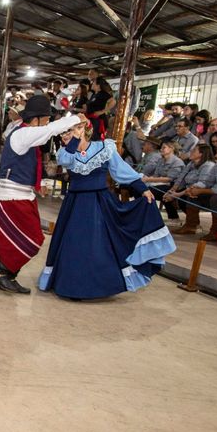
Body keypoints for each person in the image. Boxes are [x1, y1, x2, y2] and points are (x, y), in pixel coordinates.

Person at [39, 119, 175, 299]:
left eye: (69, 131)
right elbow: (65, 160)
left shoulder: (105, 148)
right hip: (75, 204)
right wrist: (74, 139)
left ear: (84, 131)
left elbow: (122, 171)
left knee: (99, 243)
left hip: (100, 201)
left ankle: (99, 285)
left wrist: (143, 190)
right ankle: (72, 285)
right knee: (75, 243)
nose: (64, 135)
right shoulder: (66, 152)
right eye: (64, 132)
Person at [0, 96, 82, 294]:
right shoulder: (23, 133)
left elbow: (33, 160)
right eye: (46, 118)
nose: (48, 122)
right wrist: (74, 119)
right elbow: (48, 131)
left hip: (23, 195)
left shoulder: (27, 134)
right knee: (32, 239)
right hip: (13, 197)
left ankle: (4, 272)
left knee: (29, 238)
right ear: (37, 118)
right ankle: (3, 272)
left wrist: (39, 183)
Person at [167, 144, 217, 233]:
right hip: (188, 189)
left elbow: (202, 183)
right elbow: (181, 178)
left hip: (203, 191)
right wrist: (171, 191)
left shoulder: (208, 165)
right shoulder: (191, 163)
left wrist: (177, 194)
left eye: (194, 151)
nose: (191, 152)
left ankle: (192, 225)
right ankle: (192, 224)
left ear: (201, 154)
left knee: (190, 195)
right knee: (175, 193)